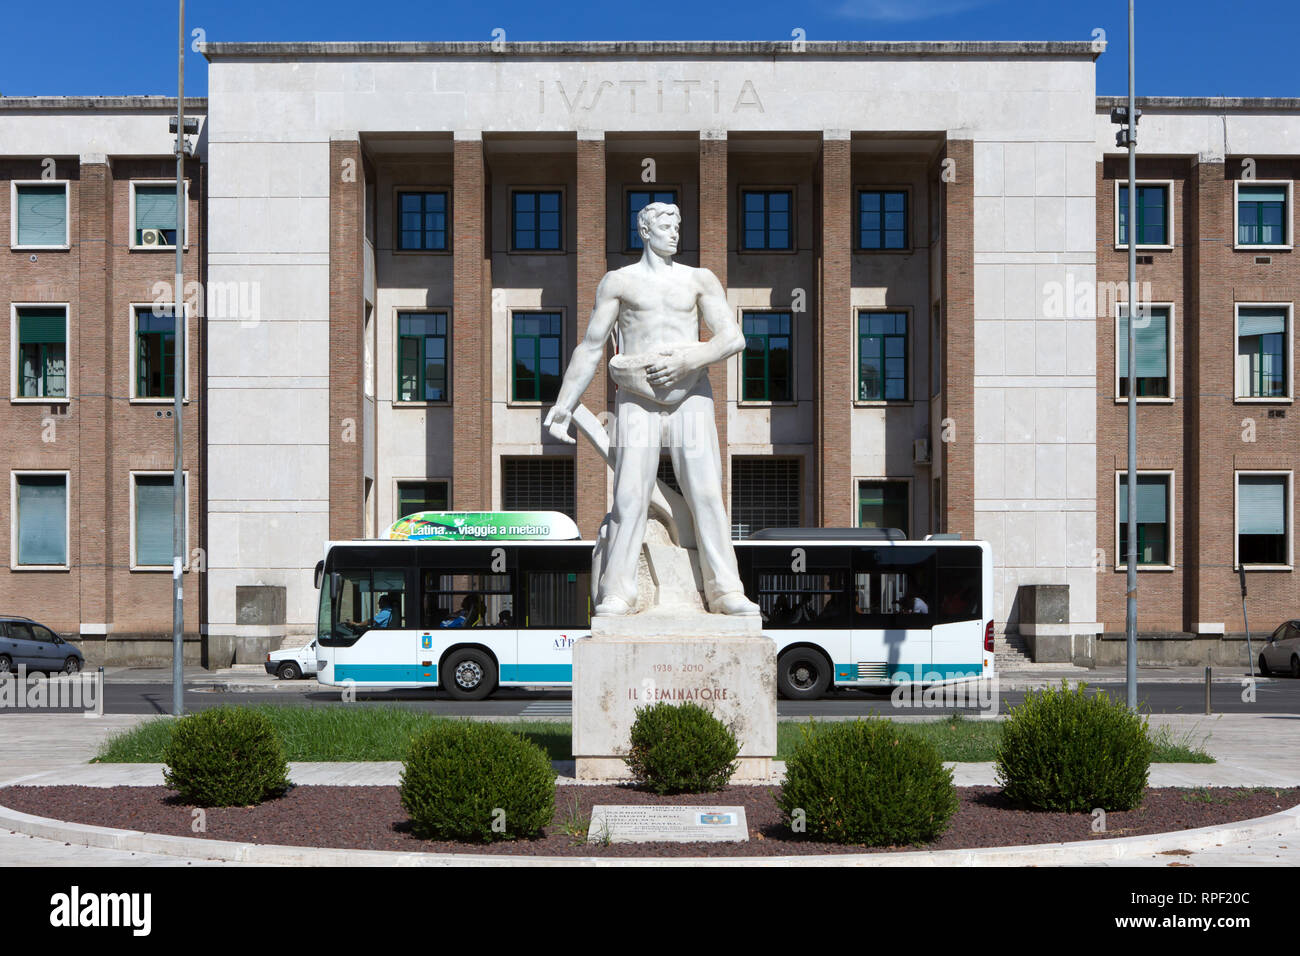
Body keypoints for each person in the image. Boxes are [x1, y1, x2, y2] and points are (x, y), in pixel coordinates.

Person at [542, 201, 759, 618]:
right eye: (665, 225)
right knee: (629, 495)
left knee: (707, 494)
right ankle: (619, 591)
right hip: (637, 399)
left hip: (691, 395)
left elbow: (732, 336)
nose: (675, 233)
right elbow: (590, 347)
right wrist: (565, 405)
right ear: (644, 230)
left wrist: (689, 359)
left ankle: (724, 589)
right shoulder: (619, 282)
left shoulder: (699, 280)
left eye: (678, 225)